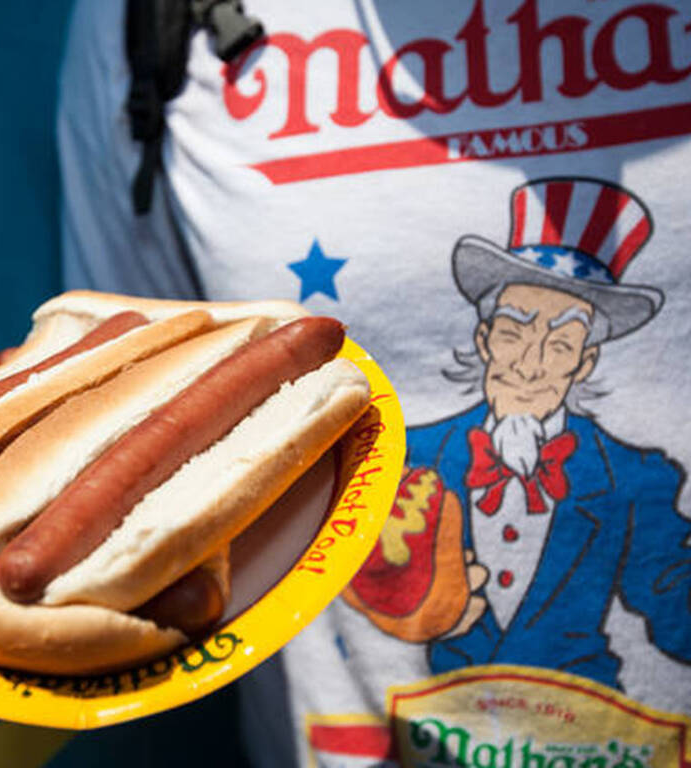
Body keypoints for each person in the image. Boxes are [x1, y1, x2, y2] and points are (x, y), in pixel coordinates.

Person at [57, 1, 691, 765]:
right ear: (484, 335)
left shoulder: (642, 478)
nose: (531, 357)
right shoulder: (156, 18)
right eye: (516, 327)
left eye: (562, 340)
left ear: (586, 363)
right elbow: (140, 435)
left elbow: (669, 596)